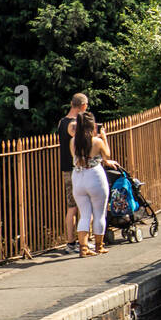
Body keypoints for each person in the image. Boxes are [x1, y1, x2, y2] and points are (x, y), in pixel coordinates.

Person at [70, 112, 113, 257]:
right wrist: (104, 138)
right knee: (99, 213)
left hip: (78, 176)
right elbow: (107, 155)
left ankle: (83, 248)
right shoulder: (97, 142)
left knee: (85, 215)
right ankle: (99, 246)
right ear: (92, 125)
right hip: (94, 176)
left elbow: (76, 158)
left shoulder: (73, 141)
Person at [58, 93, 87, 253]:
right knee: (77, 207)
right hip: (75, 169)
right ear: (82, 106)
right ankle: (76, 242)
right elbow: (82, 143)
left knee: (72, 207)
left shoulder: (61, 122)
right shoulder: (74, 125)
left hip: (66, 168)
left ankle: (72, 242)